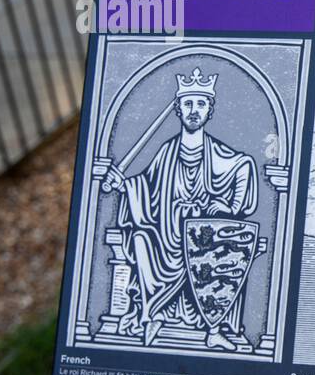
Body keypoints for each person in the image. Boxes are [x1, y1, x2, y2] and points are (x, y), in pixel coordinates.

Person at [105, 68, 258, 350]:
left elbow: (244, 165)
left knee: (214, 251)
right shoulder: (166, 152)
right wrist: (123, 185)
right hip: (166, 235)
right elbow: (145, 188)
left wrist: (229, 205)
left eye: (200, 104)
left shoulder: (219, 154)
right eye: (188, 104)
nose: (194, 110)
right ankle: (152, 316)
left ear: (209, 111)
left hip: (201, 237)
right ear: (178, 109)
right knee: (139, 239)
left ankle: (213, 330)